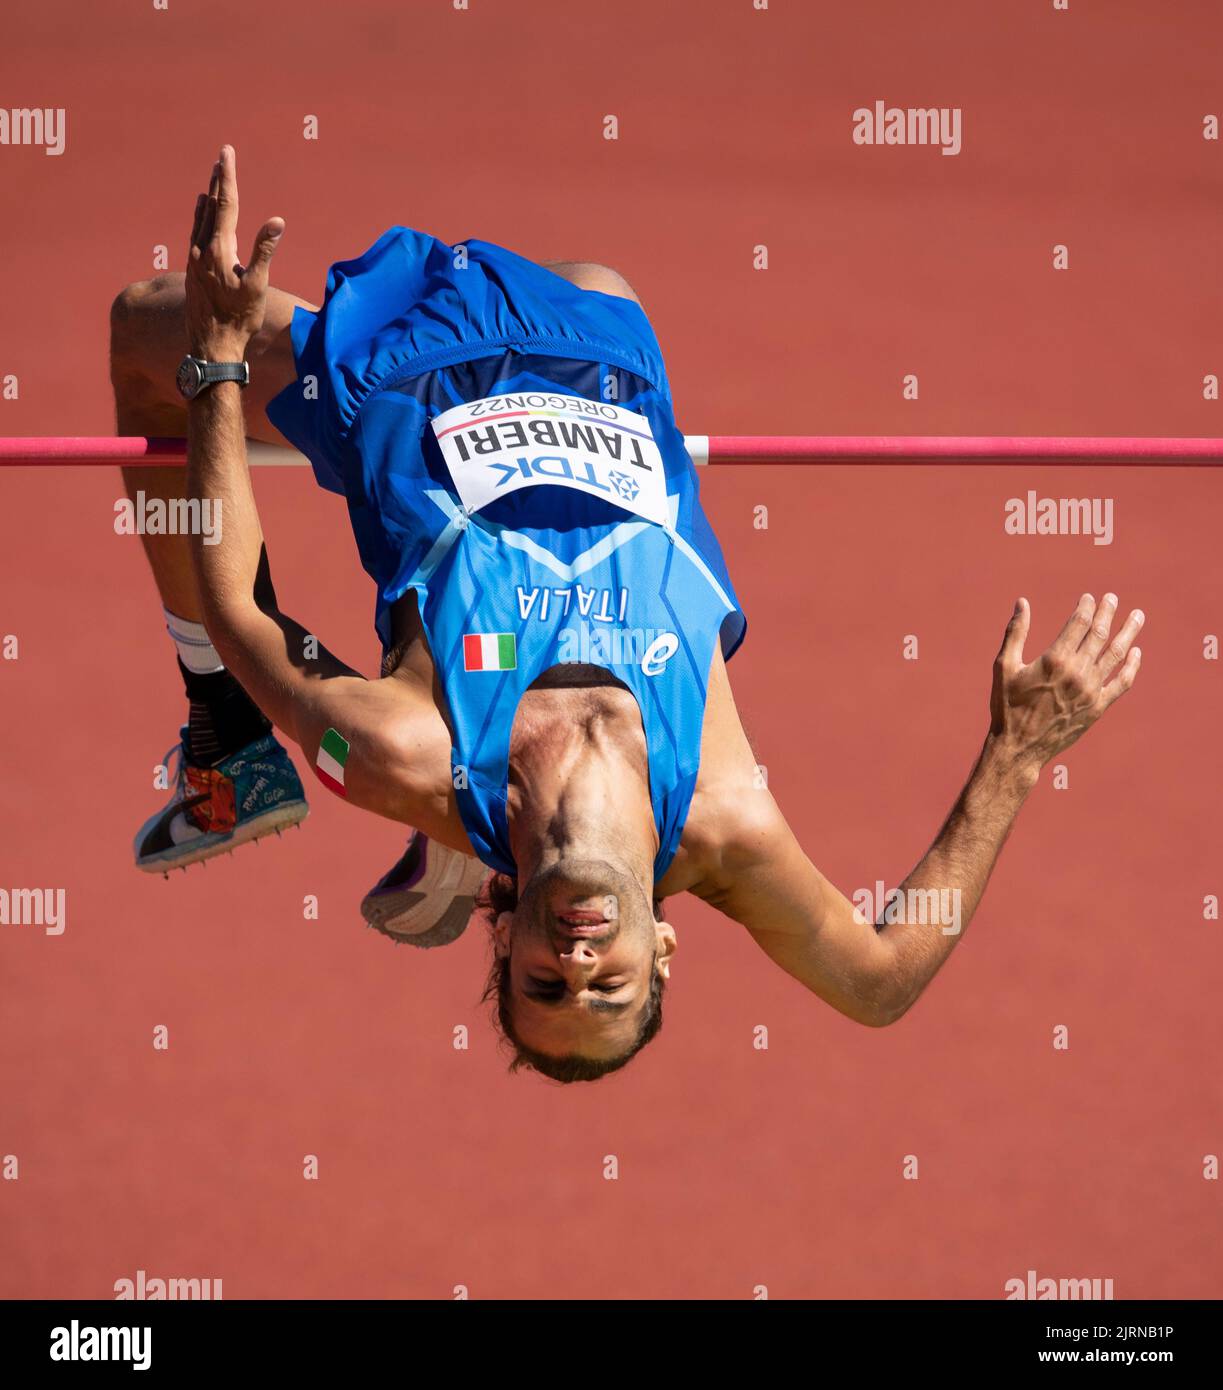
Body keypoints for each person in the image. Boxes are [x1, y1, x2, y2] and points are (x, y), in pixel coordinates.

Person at [108, 146, 1145, 1082]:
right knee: (602, 278)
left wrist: (219, 366)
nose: (577, 961)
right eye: (606, 988)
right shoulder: (721, 817)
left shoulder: (406, 751)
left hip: (409, 380)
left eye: (543, 985)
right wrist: (1016, 757)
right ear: (660, 950)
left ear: (506, 940)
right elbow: (878, 984)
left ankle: (227, 747)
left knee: (141, 331)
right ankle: (456, 847)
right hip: (603, 378)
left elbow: (246, 614)